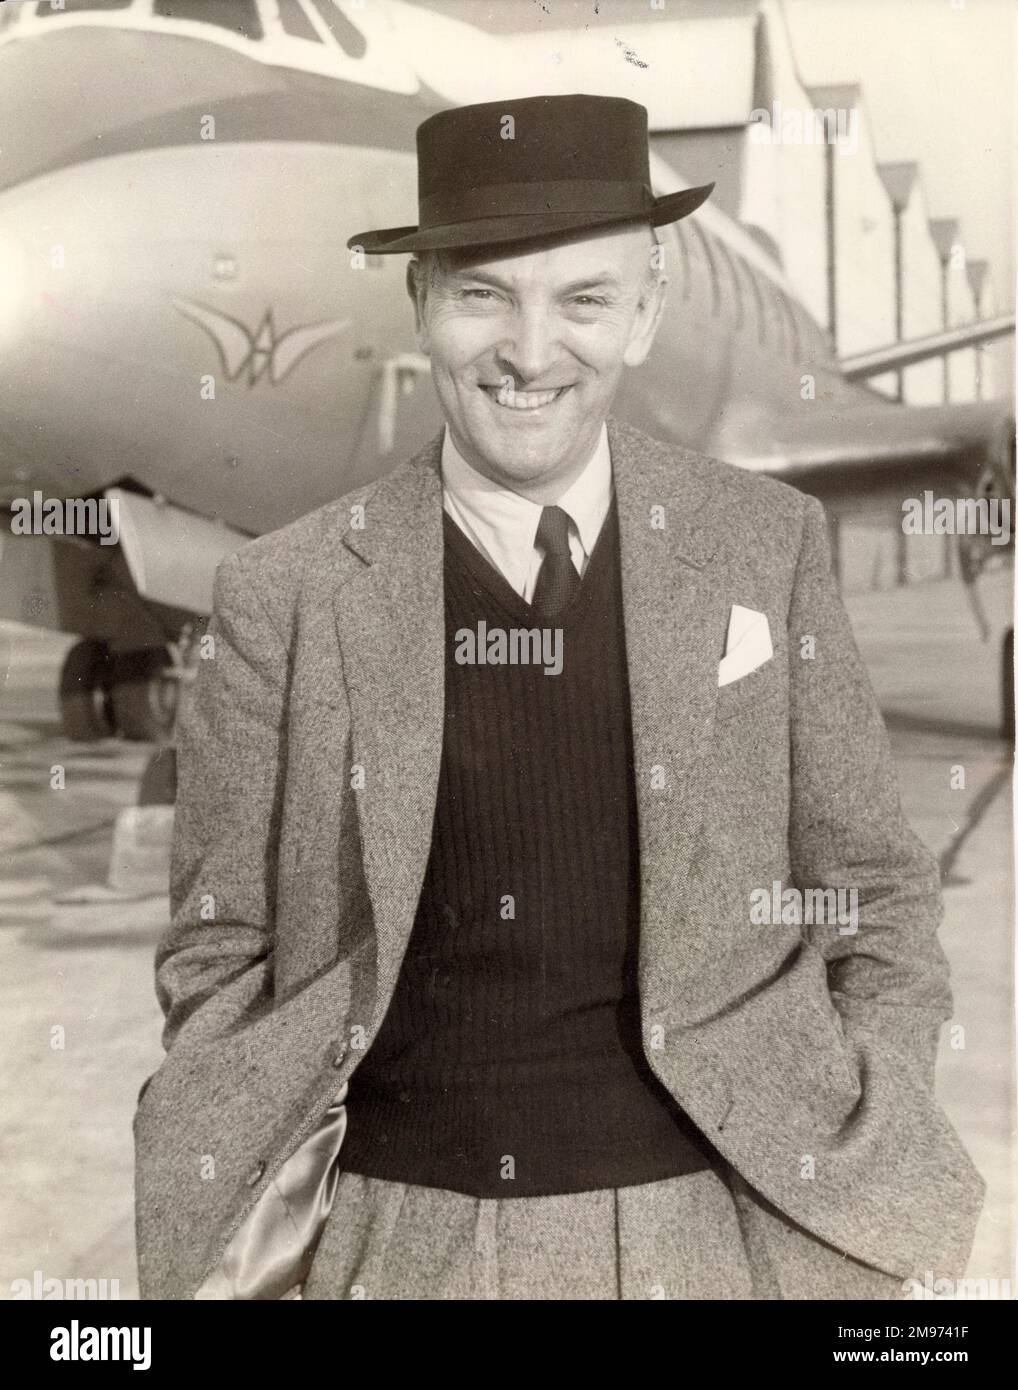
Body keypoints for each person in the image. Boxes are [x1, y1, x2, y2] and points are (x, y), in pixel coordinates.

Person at [134, 94, 984, 1301]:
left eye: (583, 299)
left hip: (724, 1226)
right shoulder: (283, 592)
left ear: (644, 312)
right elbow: (217, 945)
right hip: (392, 1238)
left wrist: (866, 1103)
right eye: (483, 294)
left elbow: (873, 890)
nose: (530, 353)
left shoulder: (764, 545)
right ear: (419, 301)